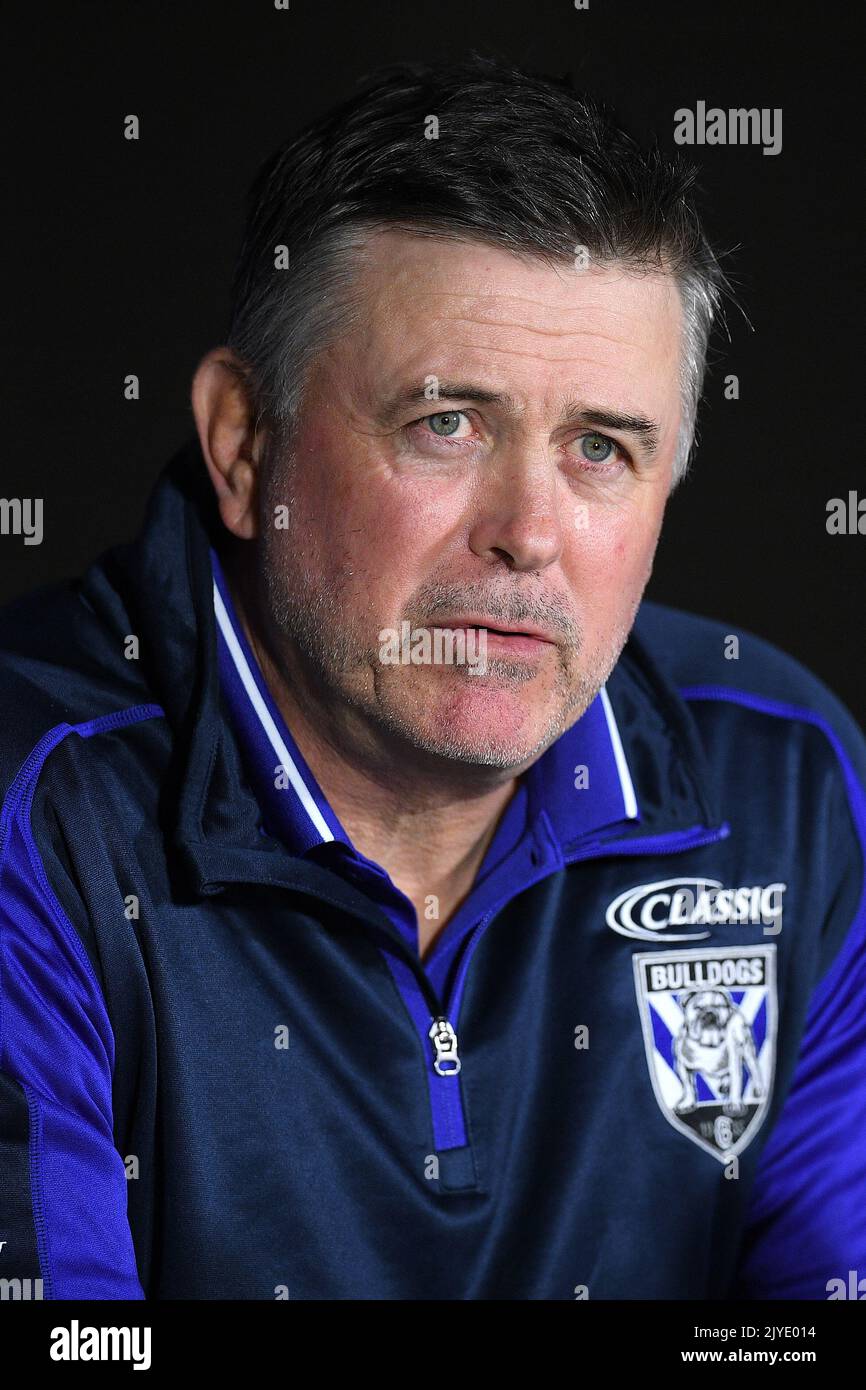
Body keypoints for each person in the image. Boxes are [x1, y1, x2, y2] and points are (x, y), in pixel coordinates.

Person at [1, 53, 863, 1302]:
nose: (528, 530)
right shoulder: (41, 812)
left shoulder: (782, 779)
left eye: (600, 448)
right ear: (246, 447)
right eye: (444, 423)